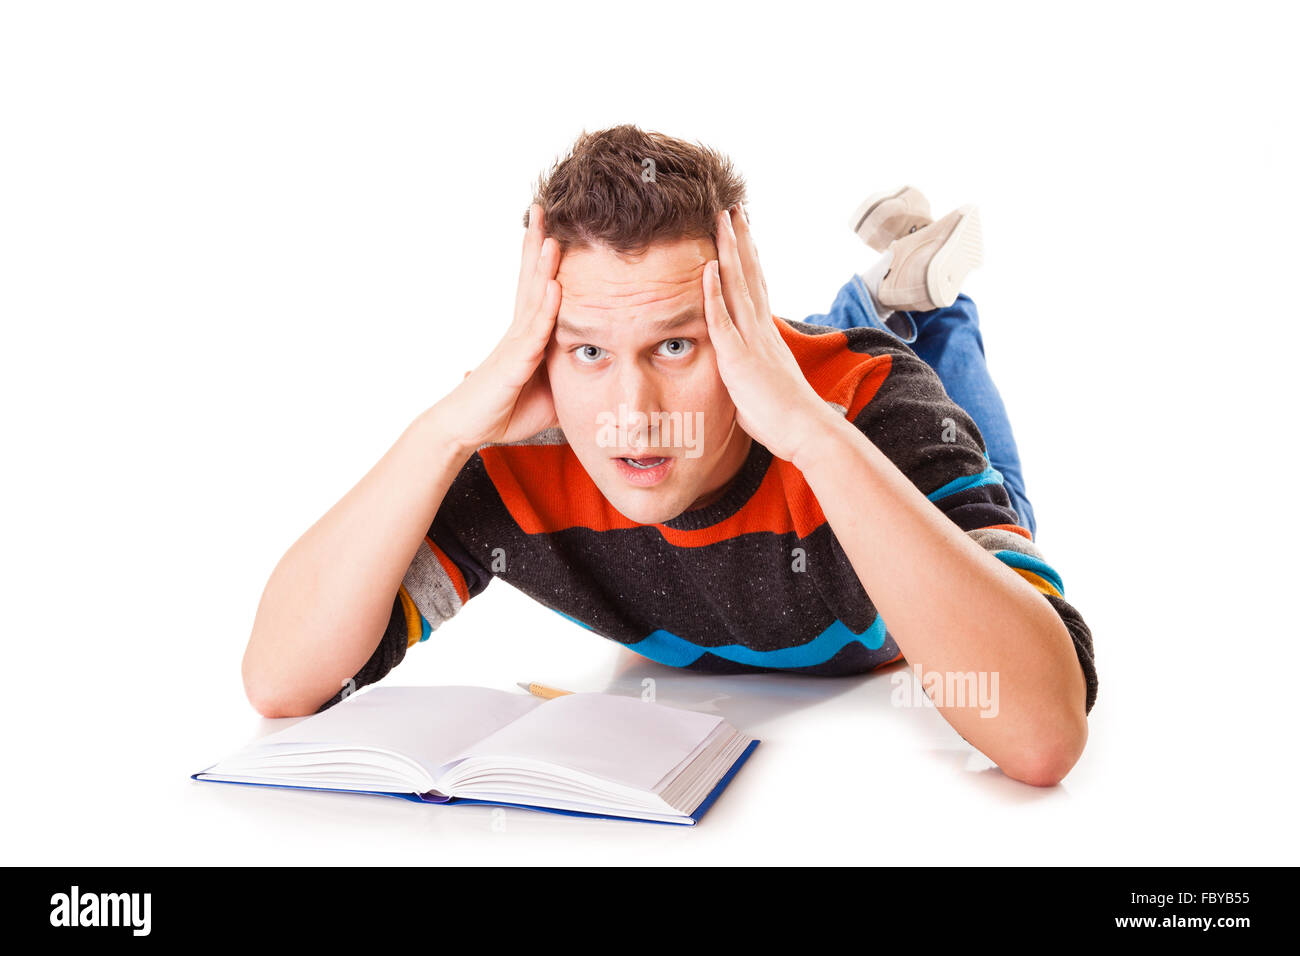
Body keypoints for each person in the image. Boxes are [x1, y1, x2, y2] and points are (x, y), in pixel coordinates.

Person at [241, 125, 1096, 787]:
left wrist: (807, 430)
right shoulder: (520, 453)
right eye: (587, 353)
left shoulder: (867, 411)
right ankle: (864, 297)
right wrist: (443, 430)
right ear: (539, 348)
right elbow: (282, 680)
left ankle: (922, 304)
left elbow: (1040, 736)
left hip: (867, 404)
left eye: (678, 347)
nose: (631, 416)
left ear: (745, 329)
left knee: (973, 432)